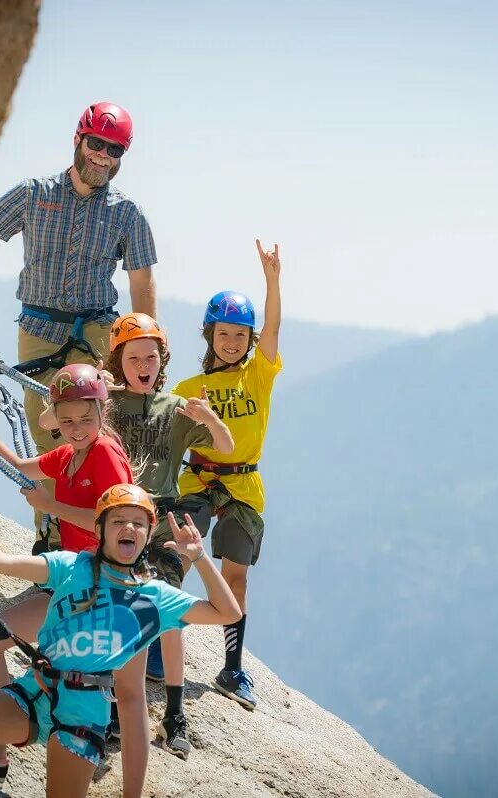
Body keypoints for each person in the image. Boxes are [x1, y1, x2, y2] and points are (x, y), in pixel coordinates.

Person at [0, 101, 157, 544]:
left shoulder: (127, 214)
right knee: (49, 431)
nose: (103, 156)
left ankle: (112, 540)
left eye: (115, 150)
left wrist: (145, 348)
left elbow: (142, 285)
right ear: (78, 140)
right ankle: (51, 536)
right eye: (96, 144)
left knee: (98, 433)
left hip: (98, 330)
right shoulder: (33, 194)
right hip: (40, 328)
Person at [0, 484, 241, 798]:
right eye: (118, 520)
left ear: (148, 535)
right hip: (33, 693)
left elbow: (228, 612)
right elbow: (5, 563)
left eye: (138, 523)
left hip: (83, 715)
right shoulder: (72, 566)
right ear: (100, 531)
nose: (129, 527)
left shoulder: (155, 597)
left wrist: (199, 558)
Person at [0, 363, 135, 783]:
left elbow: (121, 523)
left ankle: (55, 747)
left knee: (14, 651)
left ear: (102, 414)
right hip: (74, 578)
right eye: (67, 420)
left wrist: (50, 507)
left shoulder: (105, 454)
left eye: (86, 419)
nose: (75, 428)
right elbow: (22, 464)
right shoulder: (71, 454)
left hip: (101, 587)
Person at [101, 311, 234, 757]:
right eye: (134, 357)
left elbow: (226, 446)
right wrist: (92, 388)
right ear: (119, 362)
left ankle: (174, 714)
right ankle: (117, 706)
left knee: (169, 607)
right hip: (119, 516)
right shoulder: (108, 403)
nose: (144, 365)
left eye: (151, 357)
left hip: (164, 520)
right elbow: (52, 424)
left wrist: (210, 419)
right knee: (122, 602)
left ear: (163, 360)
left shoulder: (175, 410)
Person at [170, 240, 282, 711]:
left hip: (242, 485)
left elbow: (274, 328)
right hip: (197, 480)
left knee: (235, 579)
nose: (232, 342)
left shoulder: (257, 374)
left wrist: (273, 280)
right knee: (171, 562)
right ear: (209, 335)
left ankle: (232, 668)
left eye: (240, 335)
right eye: (224, 333)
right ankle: (159, 651)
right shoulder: (188, 389)